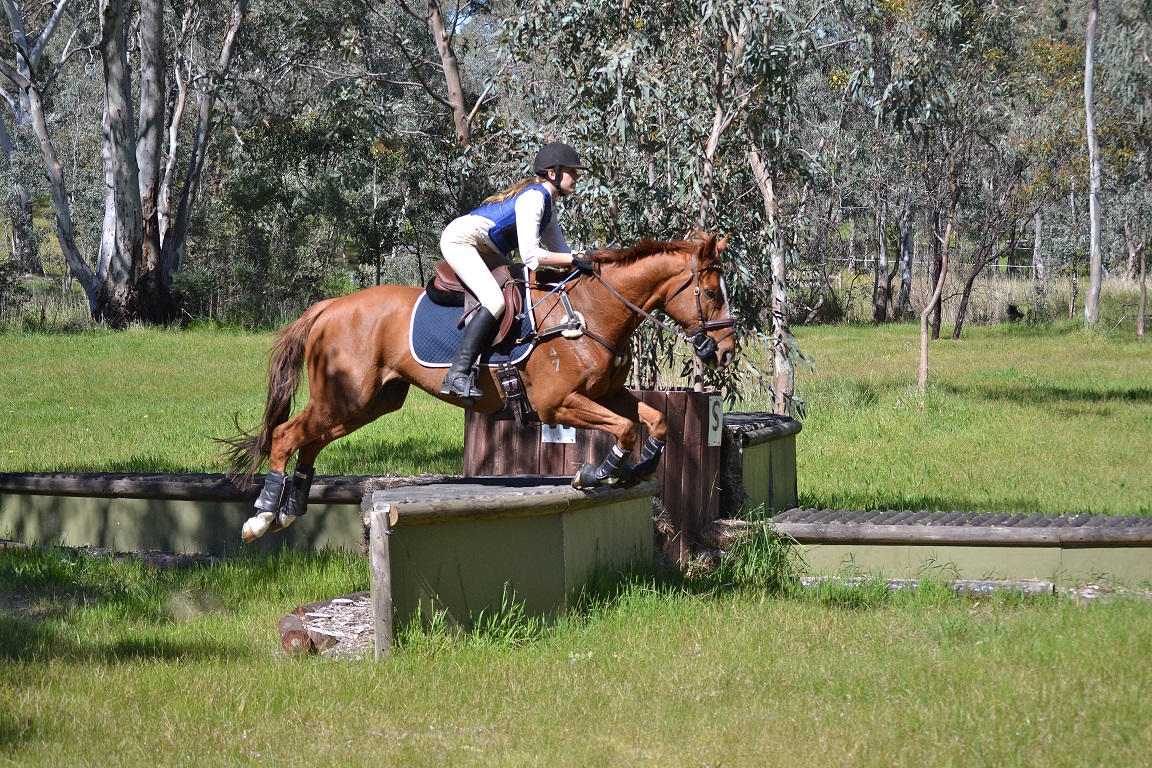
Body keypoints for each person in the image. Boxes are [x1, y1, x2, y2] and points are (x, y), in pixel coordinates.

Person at [438, 141, 596, 403]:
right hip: (460, 241)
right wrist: (573, 258)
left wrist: (590, 261)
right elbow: (532, 256)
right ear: (553, 173)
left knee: (519, 287)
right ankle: (457, 374)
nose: (577, 177)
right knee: (494, 300)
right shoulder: (534, 199)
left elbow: (562, 251)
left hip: (484, 248)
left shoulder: (548, 205)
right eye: (572, 171)